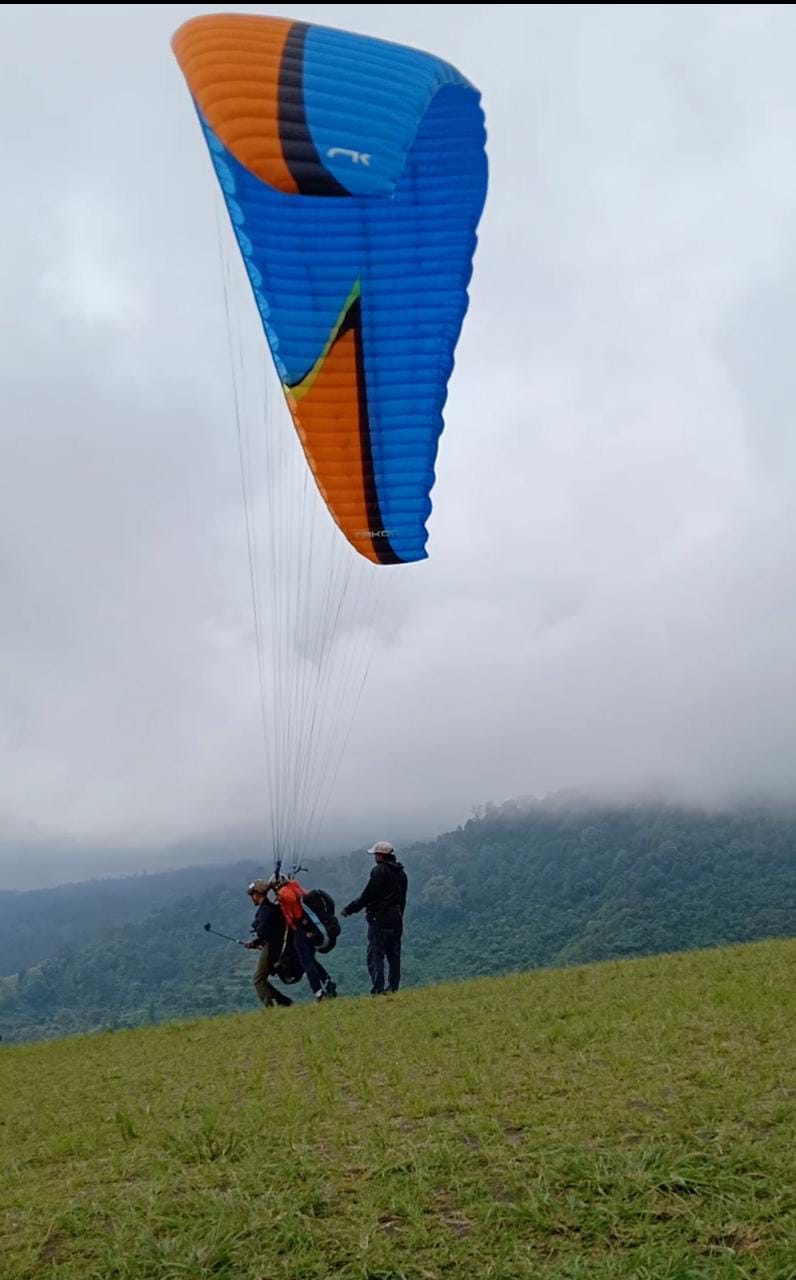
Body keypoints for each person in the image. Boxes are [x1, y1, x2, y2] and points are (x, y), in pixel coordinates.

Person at [341, 841, 408, 995]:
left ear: (381, 856)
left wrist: (350, 909)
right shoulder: (402, 874)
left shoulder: (379, 871)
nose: (374, 857)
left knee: (376, 955)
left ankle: (378, 988)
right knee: (394, 955)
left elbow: (367, 895)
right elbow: (402, 899)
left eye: (376, 854)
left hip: (380, 918)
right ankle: (393, 987)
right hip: (396, 918)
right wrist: (400, 917)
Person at [271, 875, 337, 1001]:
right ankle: (327, 982)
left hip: (302, 932)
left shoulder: (285, 892)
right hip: (309, 930)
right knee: (310, 960)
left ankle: (318, 993)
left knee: (307, 963)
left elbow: (288, 898)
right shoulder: (295, 887)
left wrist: (280, 896)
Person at [244, 880, 294, 1008]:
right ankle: (284, 1001)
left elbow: (264, 932)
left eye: (252, 895)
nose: (251, 898)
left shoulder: (265, 910)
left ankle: (270, 1007)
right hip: (274, 946)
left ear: (258, 894)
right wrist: (255, 942)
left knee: (258, 979)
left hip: (271, 947)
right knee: (261, 979)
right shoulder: (270, 908)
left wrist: (256, 938)